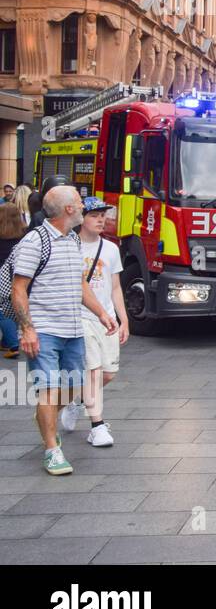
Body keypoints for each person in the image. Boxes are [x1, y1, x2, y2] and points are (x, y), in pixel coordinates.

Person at [13, 186, 117, 476]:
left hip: (73, 329)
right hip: (44, 330)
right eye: (79, 201)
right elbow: (18, 289)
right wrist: (27, 329)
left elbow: (80, 283)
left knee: (72, 388)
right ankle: (52, 449)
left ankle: (44, 419)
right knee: (48, 389)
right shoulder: (35, 241)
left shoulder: (72, 239)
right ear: (69, 209)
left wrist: (102, 313)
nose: (84, 205)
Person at [58, 198, 128, 448]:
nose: (101, 219)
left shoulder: (111, 248)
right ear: (81, 219)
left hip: (107, 319)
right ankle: (97, 427)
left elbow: (116, 287)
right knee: (94, 371)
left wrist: (124, 320)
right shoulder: (68, 247)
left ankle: (76, 400)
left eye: (103, 215)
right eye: (94, 215)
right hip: (81, 318)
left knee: (108, 374)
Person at [0, 202, 24, 359]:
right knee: (13, 307)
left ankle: (12, 342)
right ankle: (6, 341)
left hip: (2, 278)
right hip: (18, 276)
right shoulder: (24, 235)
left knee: (2, 310)